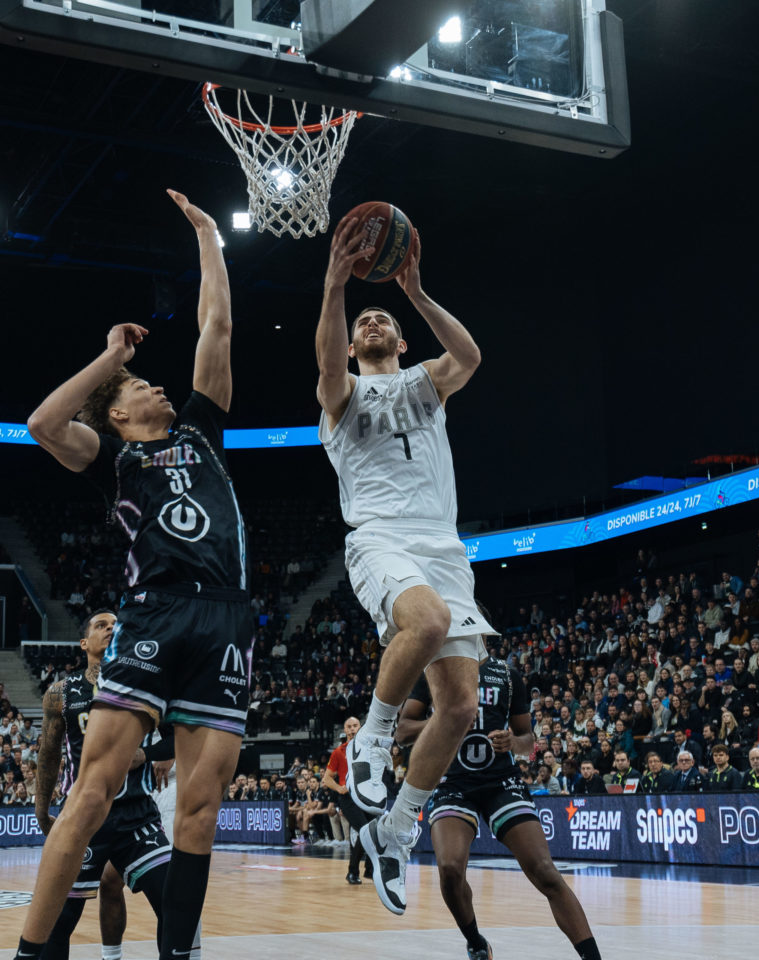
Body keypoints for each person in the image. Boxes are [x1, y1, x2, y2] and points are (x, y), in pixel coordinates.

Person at [17, 190, 252, 960]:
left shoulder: (202, 426)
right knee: (94, 793)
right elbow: (44, 424)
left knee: (202, 807)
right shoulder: (112, 458)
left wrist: (210, 239)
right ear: (116, 412)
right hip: (152, 615)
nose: (156, 385)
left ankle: (176, 955)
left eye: (151, 379)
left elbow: (216, 325)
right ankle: (29, 952)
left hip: (225, 614)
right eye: (140, 385)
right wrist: (110, 359)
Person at [315, 216, 494, 914]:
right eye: (365, 320)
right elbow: (329, 364)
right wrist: (335, 285)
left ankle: (396, 826)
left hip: (442, 542)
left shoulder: (427, 381)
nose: (373, 322)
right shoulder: (342, 394)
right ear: (355, 342)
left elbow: (471, 355)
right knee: (425, 621)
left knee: (459, 706)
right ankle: (371, 744)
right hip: (380, 535)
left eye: (383, 317)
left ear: (402, 338)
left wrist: (414, 290)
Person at [398, 655, 603, 960]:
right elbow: (403, 731)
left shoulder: (507, 675)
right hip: (452, 781)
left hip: (500, 781)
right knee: (450, 869)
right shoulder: (433, 670)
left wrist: (513, 742)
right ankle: (476, 942)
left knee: (545, 871)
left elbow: (527, 740)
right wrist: (443, 720)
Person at [34, 611, 174, 960]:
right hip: (84, 815)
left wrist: (149, 753)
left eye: (116, 625)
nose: (111, 628)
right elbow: (48, 755)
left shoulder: (146, 683)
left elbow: (177, 738)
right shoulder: (61, 693)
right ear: (84, 643)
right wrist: (41, 810)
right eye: (101, 625)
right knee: (58, 919)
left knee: (176, 906)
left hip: (136, 815)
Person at [321, 716, 374, 884]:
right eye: (349, 726)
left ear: (360, 727)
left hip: (367, 796)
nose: (352, 729)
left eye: (355, 726)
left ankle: (367, 870)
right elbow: (327, 778)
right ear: (345, 730)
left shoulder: (369, 749)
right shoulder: (338, 752)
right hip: (349, 798)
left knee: (371, 832)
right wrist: (339, 788)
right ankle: (353, 871)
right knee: (365, 831)